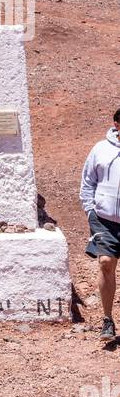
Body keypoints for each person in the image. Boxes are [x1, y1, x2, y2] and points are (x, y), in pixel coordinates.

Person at [79, 108, 120, 343]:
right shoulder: (100, 149)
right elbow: (87, 182)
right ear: (116, 124)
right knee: (105, 263)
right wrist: (90, 211)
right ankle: (107, 320)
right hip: (104, 219)